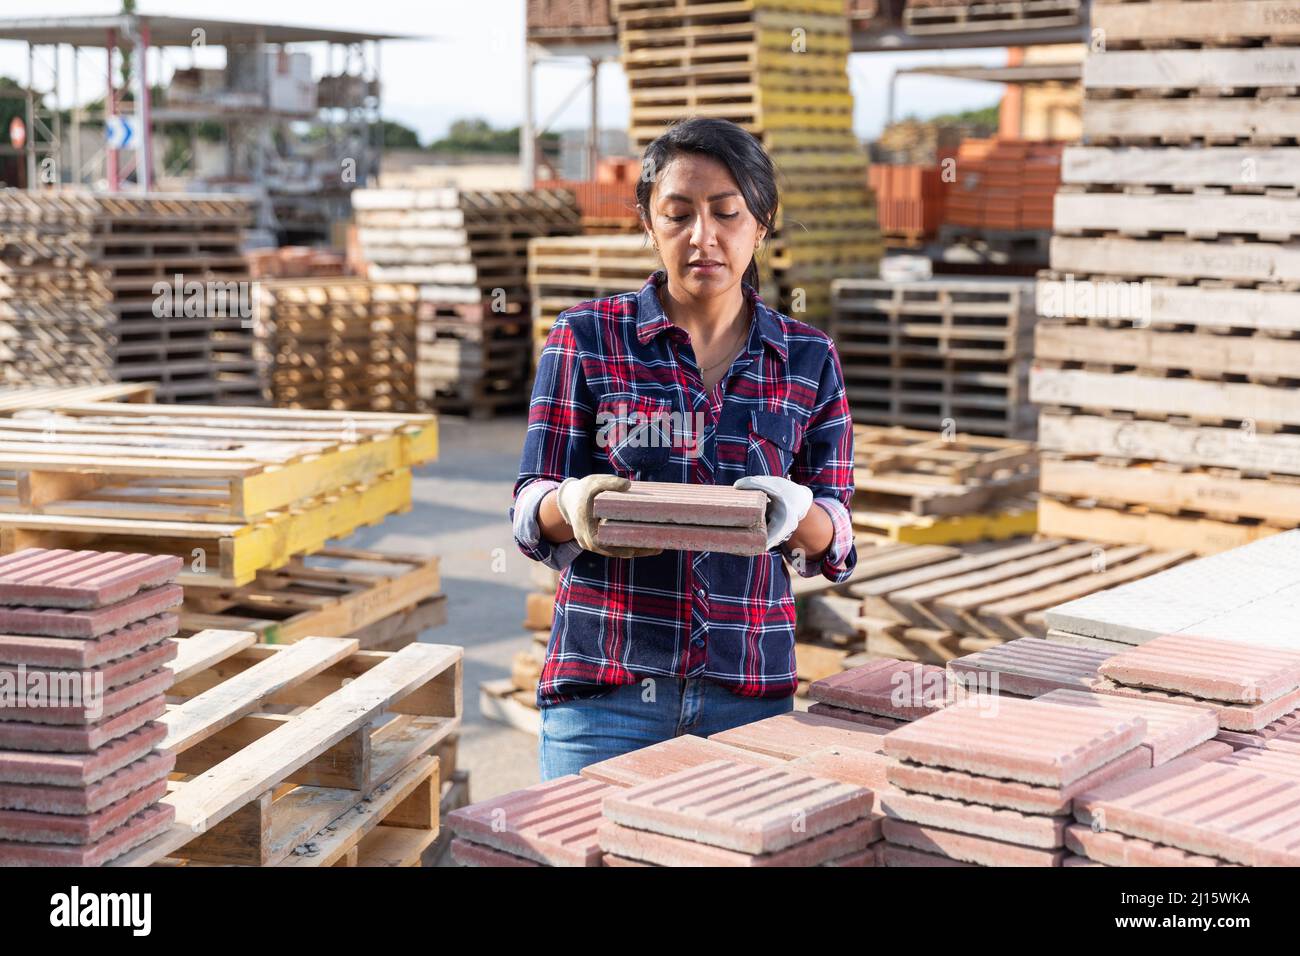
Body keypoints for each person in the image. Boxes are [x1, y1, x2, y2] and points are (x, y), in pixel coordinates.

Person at [510, 117, 858, 781]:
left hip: (747, 698)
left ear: (762, 221)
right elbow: (529, 510)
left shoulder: (808, 358)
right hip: (604, 695)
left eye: (728, 212)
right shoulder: (584, 339)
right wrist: (575, 504)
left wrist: (795, 510)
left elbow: (836, 537)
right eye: (678, 215)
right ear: (648, 222)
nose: (705, 237)